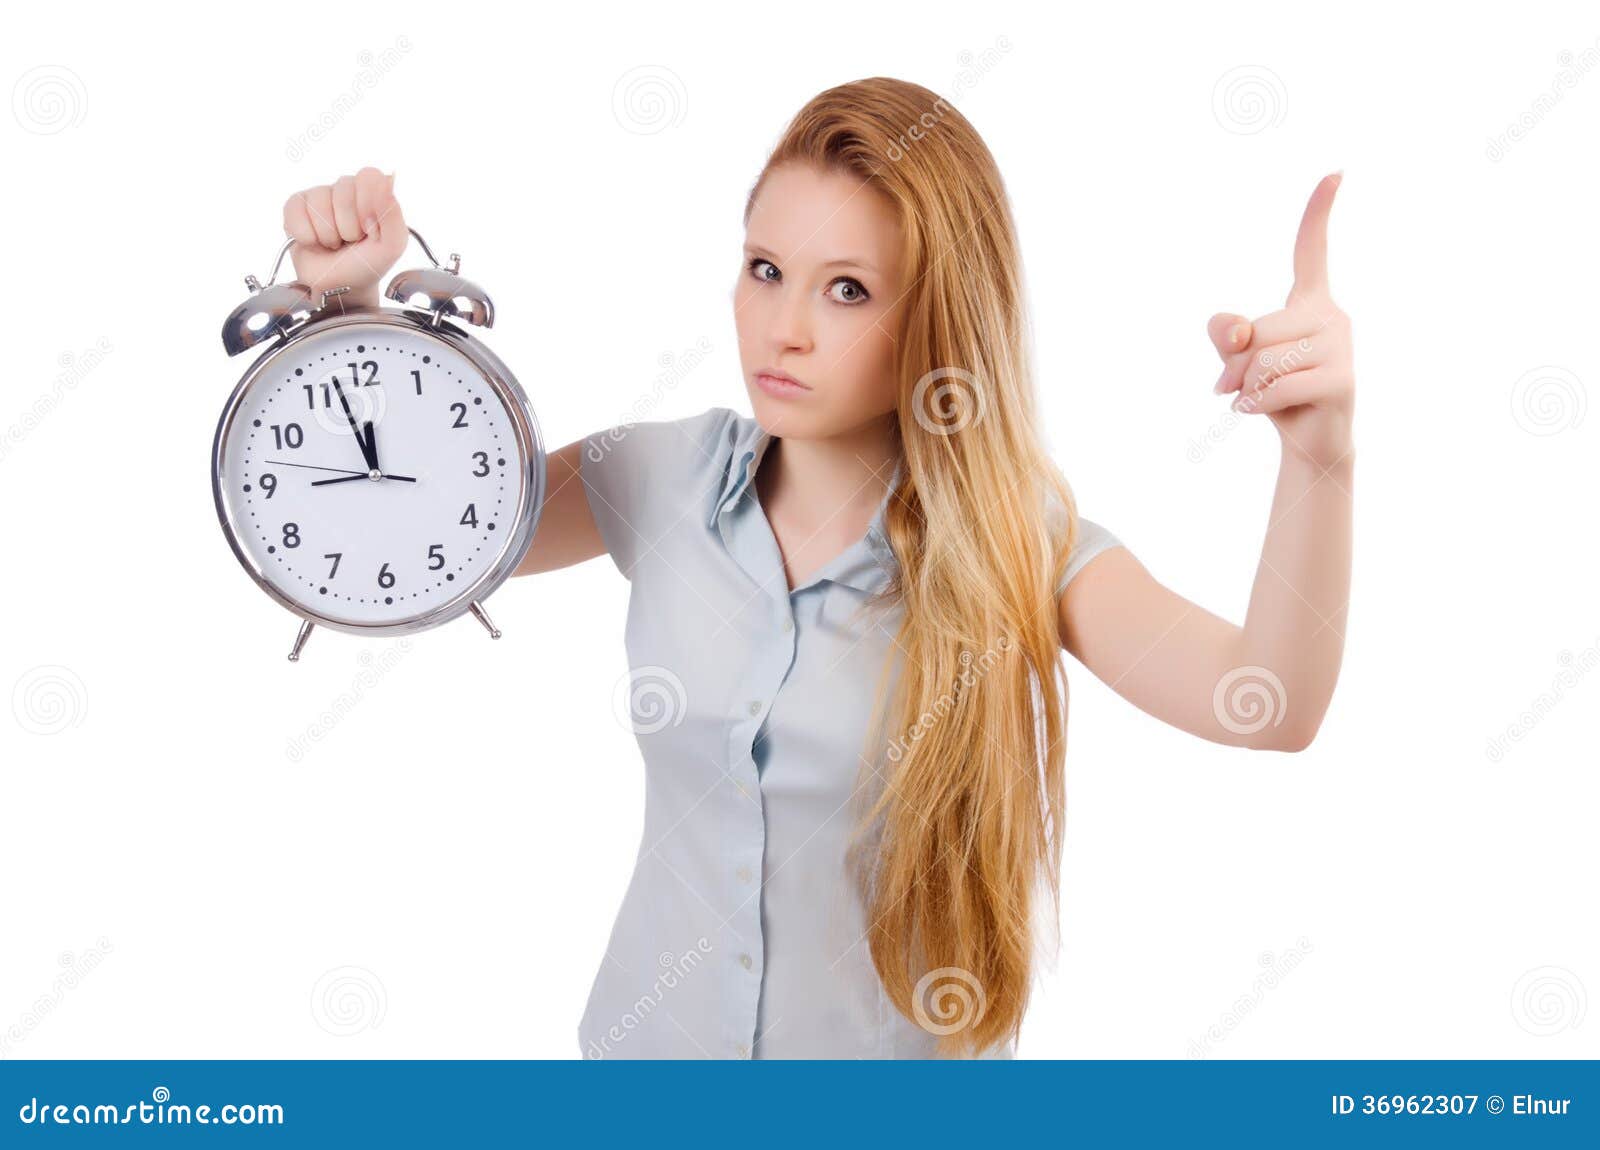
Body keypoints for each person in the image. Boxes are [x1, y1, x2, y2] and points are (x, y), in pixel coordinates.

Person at [279, 77, 1354, 1059]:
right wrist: (353, 316)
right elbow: (412, 530)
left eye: (847, 291)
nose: (782, 328)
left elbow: (1263, 703)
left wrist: (1318, 460)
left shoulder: (1014, 537)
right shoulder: (660, 479)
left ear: (934, 315)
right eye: (765, 271)